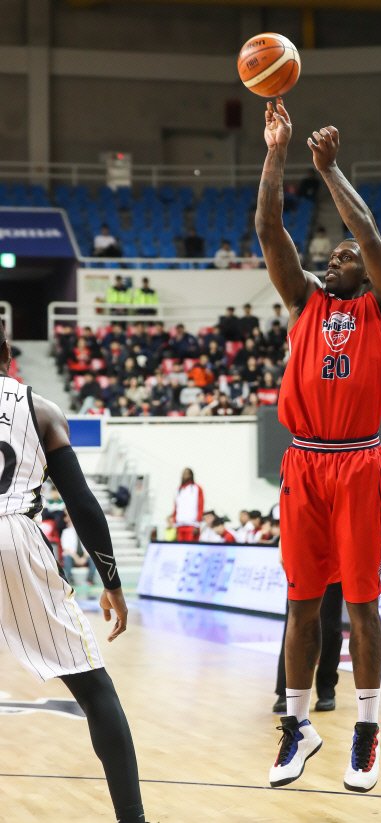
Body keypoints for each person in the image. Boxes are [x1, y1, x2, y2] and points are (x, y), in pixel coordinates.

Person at [255, 99, 381, 793]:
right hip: (305, 460)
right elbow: (268, 228)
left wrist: (330, 169)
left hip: (358, 460)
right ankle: (297, 727)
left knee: (362, 607)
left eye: (347, 254)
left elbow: (370, 234)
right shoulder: (305, 302)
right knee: (301, 604)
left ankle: (367, 731)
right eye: (334, 252)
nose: (338, 254)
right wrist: (277, 151)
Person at [0, 323, 148, 823]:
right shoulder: (40, 409)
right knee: (92, 687)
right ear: (8, 353)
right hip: (14, 537)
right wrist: (112, 584)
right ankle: (132, 818)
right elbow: (83, 504)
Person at [273, 582, 343, 715]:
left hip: (335, 564)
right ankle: (285, 691)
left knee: (330, 625)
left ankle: (327, 691)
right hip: (301, 561)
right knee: (295, 621)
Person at [172, 467, 204, 542]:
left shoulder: (197, 488)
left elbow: (200, 506)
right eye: (183, 473)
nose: (184, 475)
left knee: (191, 546)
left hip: (192, 524)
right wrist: (174, 521)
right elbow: (176, 507)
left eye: (187, 473)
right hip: (180, 524)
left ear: (191, 475)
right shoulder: (178, 490)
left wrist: (197, 523)